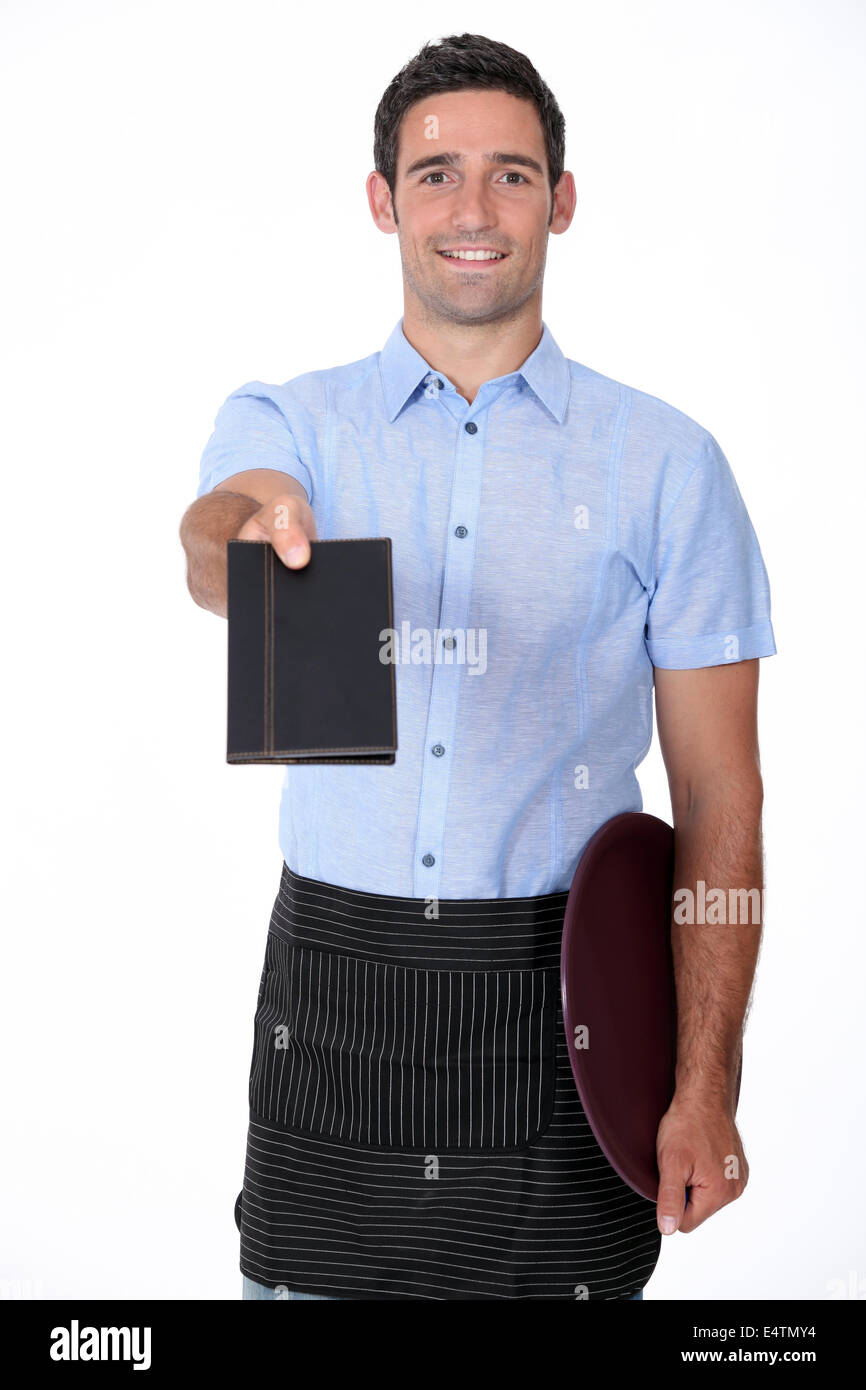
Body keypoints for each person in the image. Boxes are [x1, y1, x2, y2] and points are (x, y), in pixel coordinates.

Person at [179, 32, 775, 1301]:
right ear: (383, 201)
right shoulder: (294, 421)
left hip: (557, 1019)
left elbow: (721, 802)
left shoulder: (666, 465)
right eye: (436, 172)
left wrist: (705, 1079)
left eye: (510, 175)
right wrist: (250, 536)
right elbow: (223, 526)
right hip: (329, 1011)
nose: (472, 209)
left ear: (559, 201)